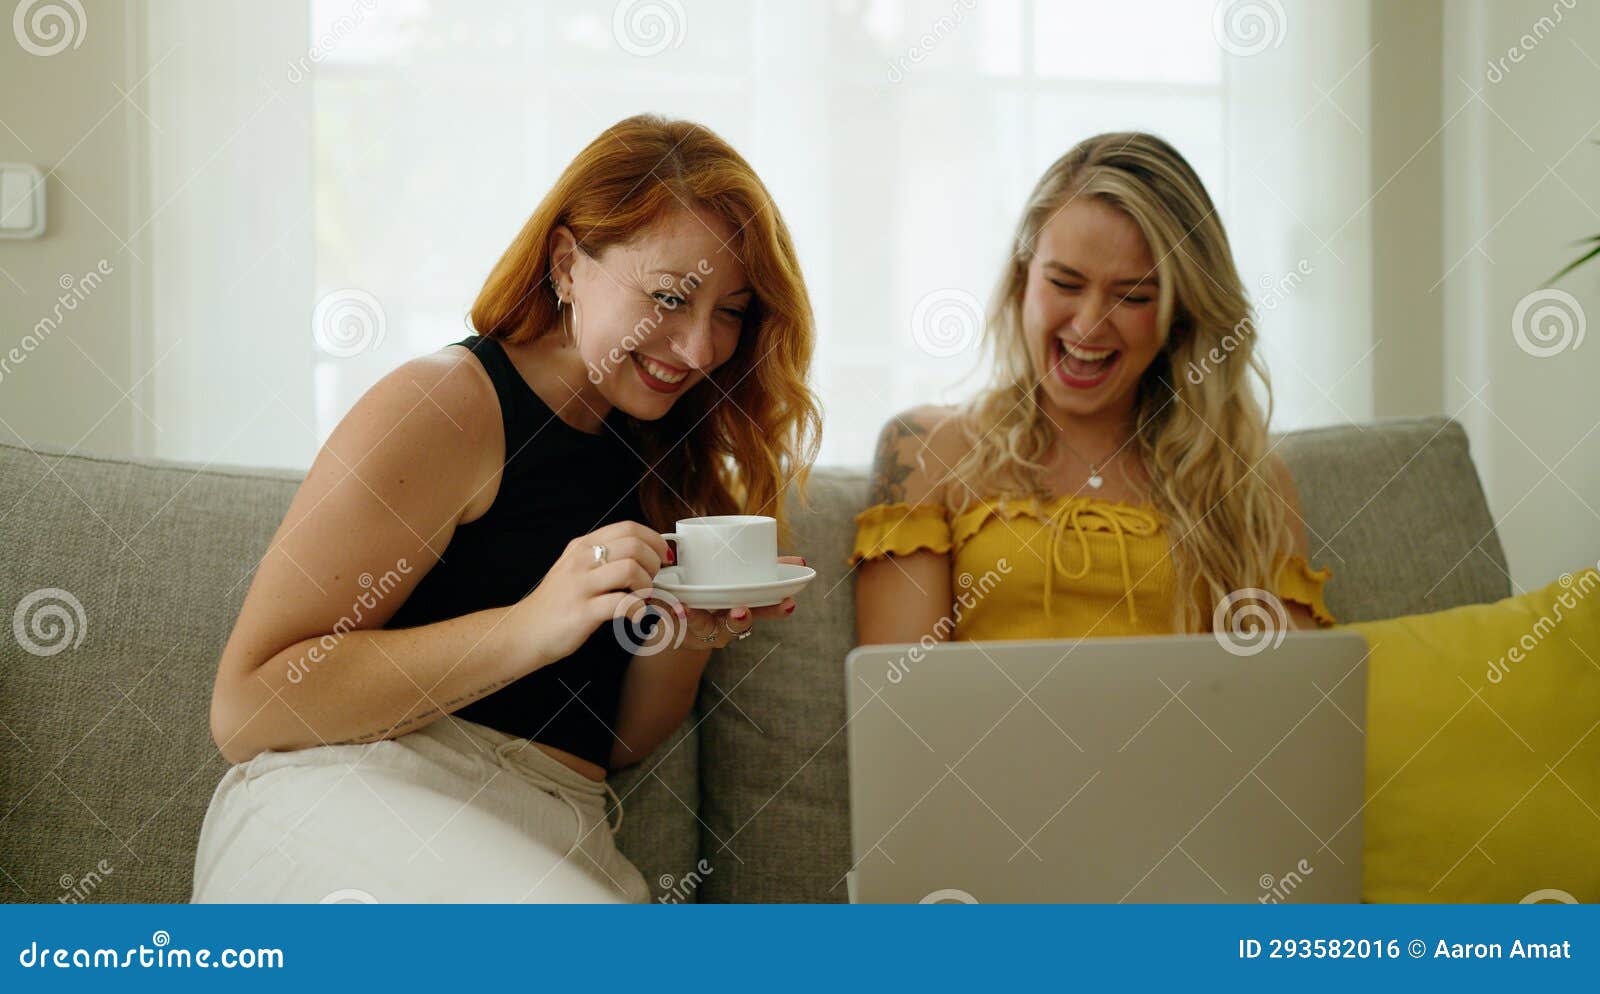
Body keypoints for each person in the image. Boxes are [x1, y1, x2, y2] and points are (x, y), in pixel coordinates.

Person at [193, 114, 820, 903]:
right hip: (369, 795)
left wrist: (686, 631)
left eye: (730, 311)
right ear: (567, 264)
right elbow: (248, 705)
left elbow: (618, 741)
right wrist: (528, 626)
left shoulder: (674, 449)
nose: (700, 350)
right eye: (669, 298)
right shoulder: (448, 406)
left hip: (560, 829)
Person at [854, 132, 1333, 646]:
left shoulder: (1247, 479)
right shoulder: (925, 448)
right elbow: (900, 700)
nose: (1088, 325)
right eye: (1065, 284)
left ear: (1181, 315)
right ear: (1022, 282)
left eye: (1132, 297)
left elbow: (1287, 704)